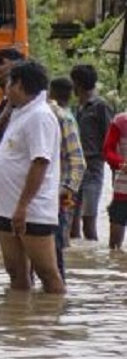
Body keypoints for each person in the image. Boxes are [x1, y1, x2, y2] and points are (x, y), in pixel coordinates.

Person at [0, 60, 65, 294]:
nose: (5, 89)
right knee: (15, 272)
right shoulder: (21, 112)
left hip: (31, 210)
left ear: (19, 84)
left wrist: (22, 206)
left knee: (47, 274)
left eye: (8, 83)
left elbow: (40, 162)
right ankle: (19, 316)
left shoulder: (40, 116)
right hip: (7, 207)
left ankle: (54, 315)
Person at [70, 63, 113, 242]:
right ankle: (79, 257)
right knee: (71, 220)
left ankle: (93, 253)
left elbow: (110, 137)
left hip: (93, 167)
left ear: (78, 84)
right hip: (74, 168)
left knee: (89, 220)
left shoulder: (100, 106)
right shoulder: (78, 108)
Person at [48, 76, 84, 278]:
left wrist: (63, 191)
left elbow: (78, 162)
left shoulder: (62, 118)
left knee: (55, 252)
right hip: (57, 192)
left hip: (58, 193)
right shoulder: (65, 116)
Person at [102, 106, 127, 252]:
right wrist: (121, 164)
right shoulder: (121, 121)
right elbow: (108, 150)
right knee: (114, 247)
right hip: (123, 189)